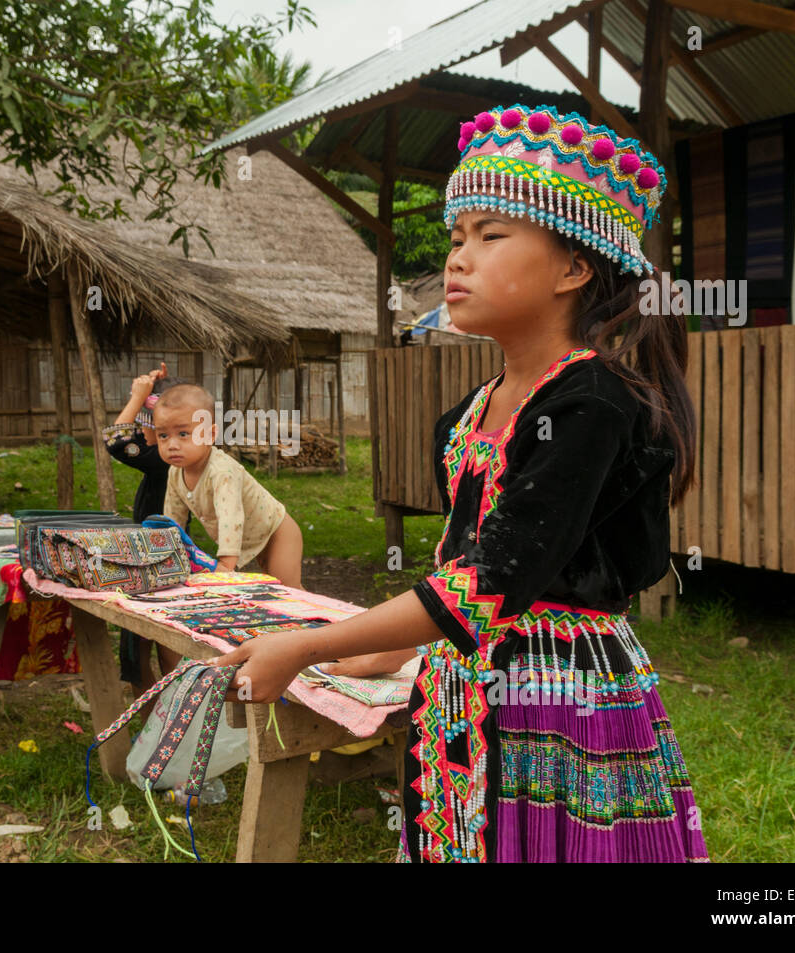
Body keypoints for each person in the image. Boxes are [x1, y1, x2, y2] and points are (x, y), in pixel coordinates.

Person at [214, 104, 708, 863]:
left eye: (491, 235)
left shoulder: (592, 405)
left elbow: (490, 584)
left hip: (556, 693)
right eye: (455, 237)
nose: (458, 258)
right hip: (459, 682)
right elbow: (460, 562)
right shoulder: (467, 414)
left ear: (575, 269)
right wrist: (386, 652)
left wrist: (306, 647)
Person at [155, 383, 304, 589]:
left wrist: (226, 565)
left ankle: (331, 619)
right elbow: (173, 520)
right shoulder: (175, 472)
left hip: (276, 531)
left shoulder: (221, 470)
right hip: (251, 538)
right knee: (274, 594)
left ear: (210, 434)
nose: (172, 445)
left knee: (289, 592)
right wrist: (167, 553)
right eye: (163, 436)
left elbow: (230, 516)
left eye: (183, 434)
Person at [104, 363, 183, 692]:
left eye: (156, 428)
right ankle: (161, 729)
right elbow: (132, 438)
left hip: (157, 564)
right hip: (158, 563)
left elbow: (118, 441)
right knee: (144, 651)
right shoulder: (168, 457)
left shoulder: (165, 461)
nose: (144, 431)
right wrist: (147, 397)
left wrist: (138, 397)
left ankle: (169, 727)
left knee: (161, 651)